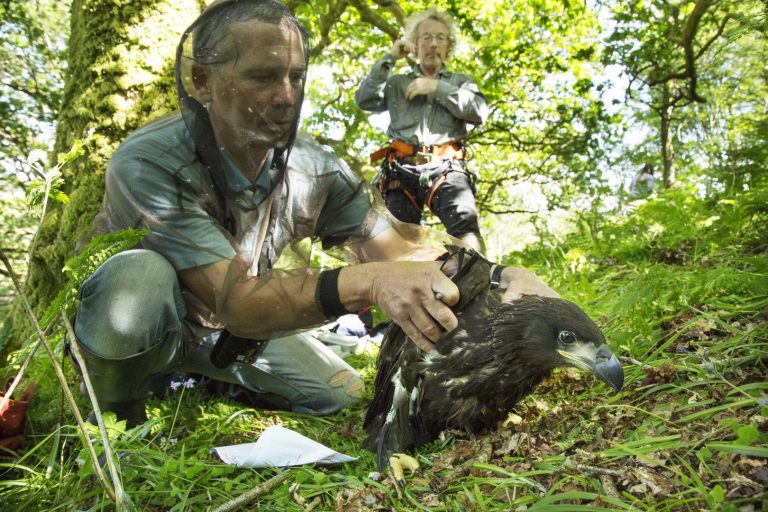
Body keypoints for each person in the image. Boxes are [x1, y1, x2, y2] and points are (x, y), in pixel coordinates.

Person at [72, 0, 557, 427]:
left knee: (340, 391)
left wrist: (497, 278)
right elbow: (236, 298)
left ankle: (215, 382)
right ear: (202, 80)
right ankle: (115, 420)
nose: (287, 97)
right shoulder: (149, 161)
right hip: (159, 324)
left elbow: (402, 250)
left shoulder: (314, 168)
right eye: (263, 77)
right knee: (136, 280)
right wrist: (368, 281)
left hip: (231, 334)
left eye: (296, 76)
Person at [355, 9, 489, 254]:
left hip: (448, 169)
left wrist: (436, 87)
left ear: (449, 46)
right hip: (401, 170)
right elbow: (364, 100)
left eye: (440, 38)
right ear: (414, 45)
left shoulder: (461, 82)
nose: (433, 44)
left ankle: (479, 282)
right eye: (426, 37)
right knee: (391, 241)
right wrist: (390, 58)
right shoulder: (396, 83)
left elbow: (479, 112)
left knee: (465, 231)